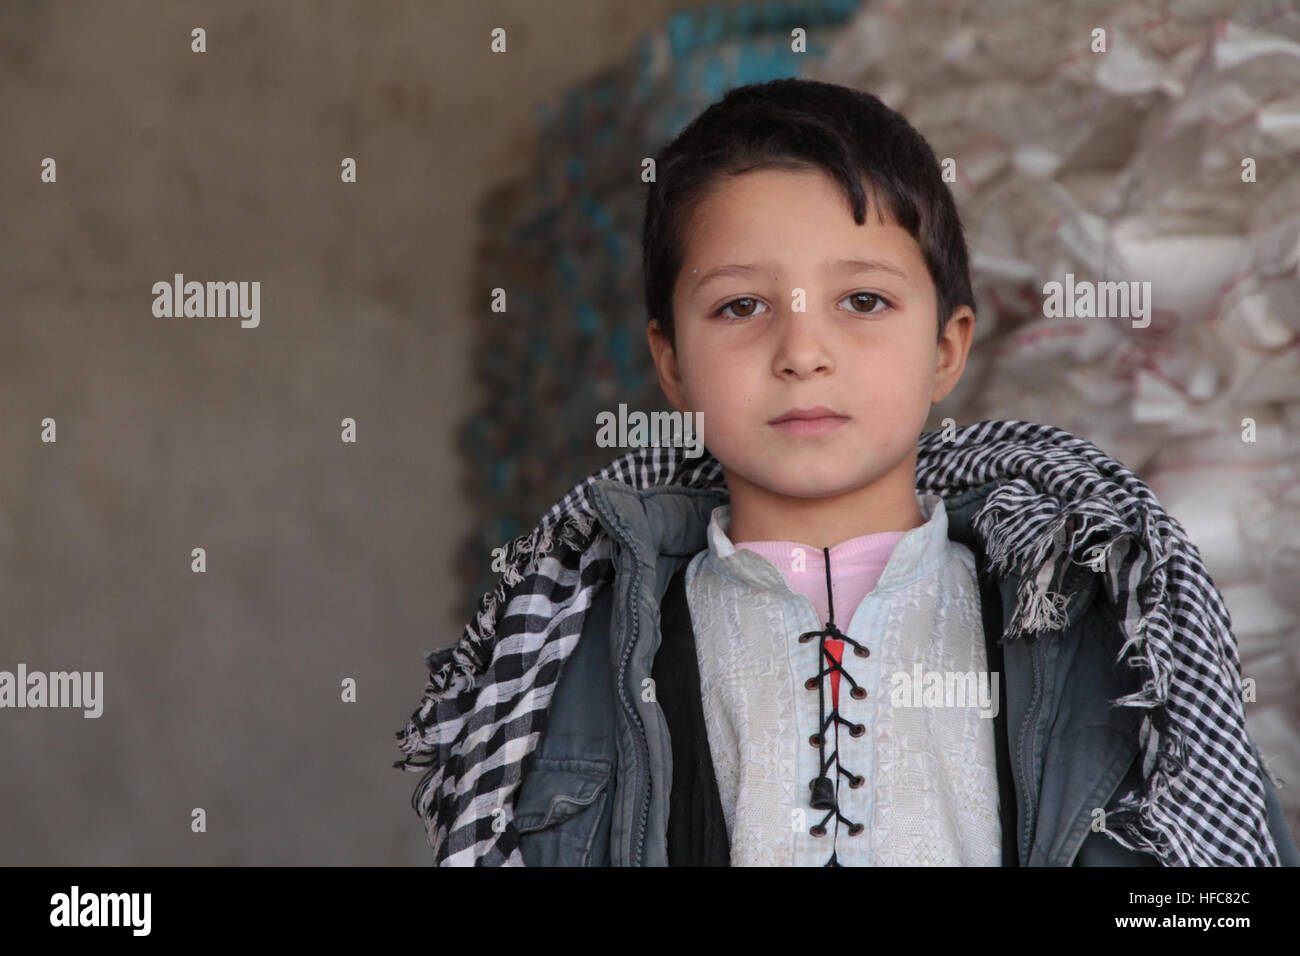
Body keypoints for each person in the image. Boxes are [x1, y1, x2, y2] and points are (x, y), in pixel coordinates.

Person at [394, 77, 1300, 867]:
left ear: (948, 348)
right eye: (741, 305)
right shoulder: (568, 662)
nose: (803, 351)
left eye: (863, 301)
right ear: (670, 364)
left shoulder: (1107, 638)